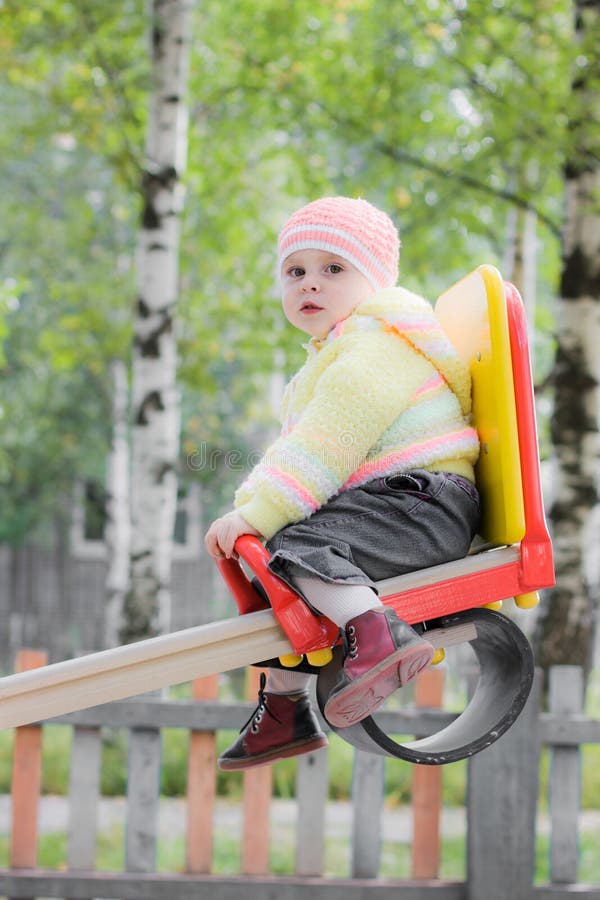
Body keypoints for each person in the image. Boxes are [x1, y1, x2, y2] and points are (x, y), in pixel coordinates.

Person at [205, 196, 481, 770]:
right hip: (396, 502)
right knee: (273, 564)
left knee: (295, 549)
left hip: (423, 504)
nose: (311, 284)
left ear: (374, 281)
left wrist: (258, 520)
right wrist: (249, 512)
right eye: (295, 271)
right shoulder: (332, 354)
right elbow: (290, 452)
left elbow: (325, 448)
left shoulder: (377, 344)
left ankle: (381, 636)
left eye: (334, 268)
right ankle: (286, 713)